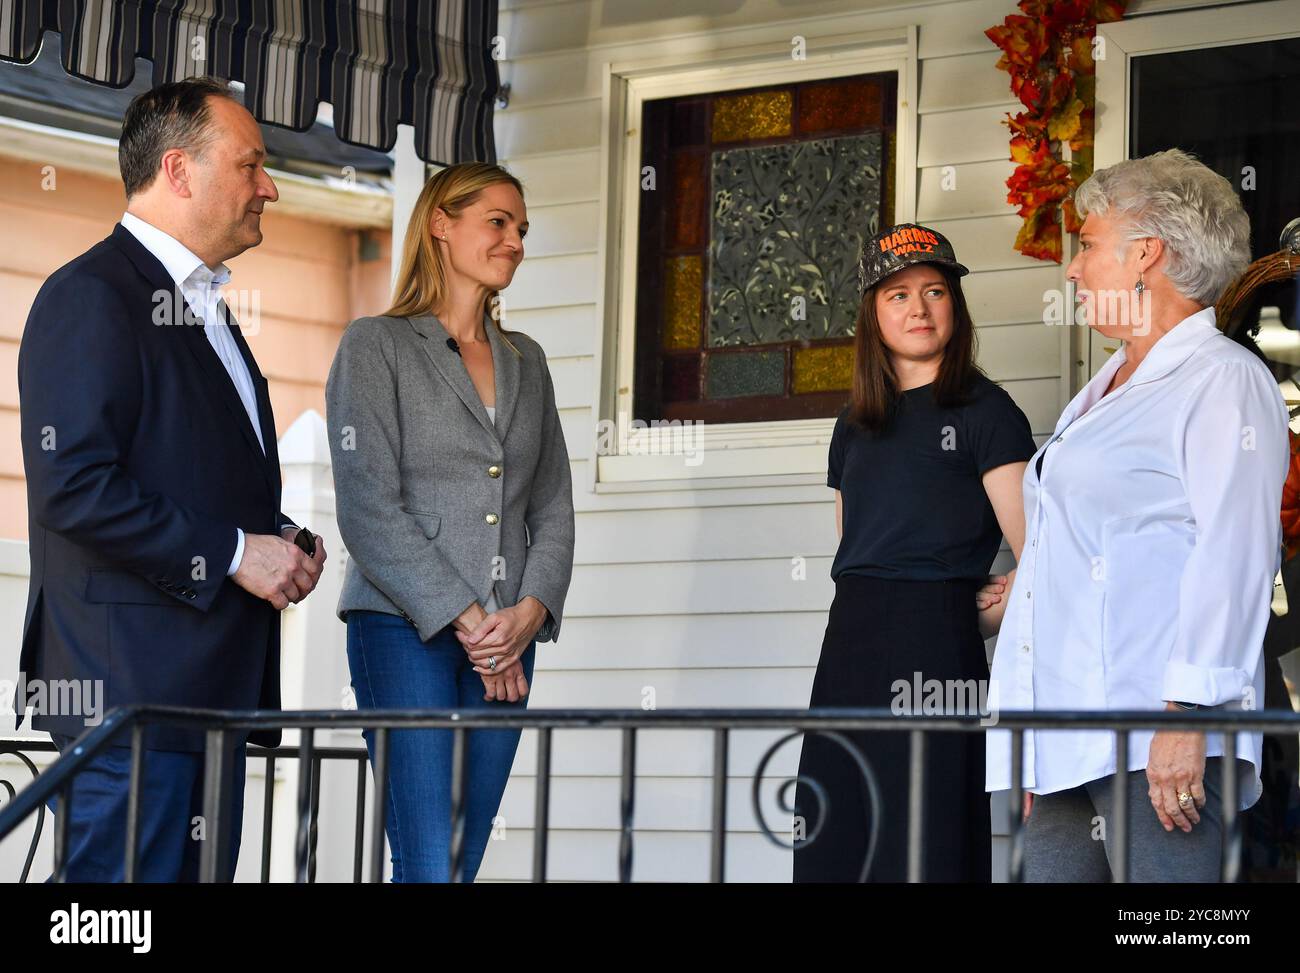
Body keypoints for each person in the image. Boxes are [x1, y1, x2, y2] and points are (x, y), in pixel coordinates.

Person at [16, 78, 325, 882]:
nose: (270, 186)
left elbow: (188, 470)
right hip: (127, 699)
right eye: (251, 164)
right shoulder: (90, 296)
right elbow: (73, 486)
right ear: (180, 171)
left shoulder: (209, 308)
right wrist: (233, 552)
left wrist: (278, 538)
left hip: (201, 697)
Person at [983, 148, 1289, 882]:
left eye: (1087, 245)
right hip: (1065, 738)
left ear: (1147, 253)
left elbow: (1236, 553)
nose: (1073, 269)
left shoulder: (1222, 378)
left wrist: (1187, 716)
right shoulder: (1108, 390)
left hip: (1158, 732)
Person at [326, 162, 575, 883]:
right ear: (442, 223)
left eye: (522, 229)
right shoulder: (376, 345)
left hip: (510, 638)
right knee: (429, 861)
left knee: (461, 861)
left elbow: (551, 504)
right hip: (404, 627)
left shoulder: (528, 360)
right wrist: (474, 624)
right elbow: (368, 507)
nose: (515, 242)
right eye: (498, 222)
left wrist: (529, 613)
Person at [792, 223, 1036, 882]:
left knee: (925, 836)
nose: (918, 308)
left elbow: (1041, 552)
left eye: (934, 290)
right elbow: (858, 550)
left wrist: (978, 610)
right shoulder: (854, 423)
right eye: (898, 294)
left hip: (936, 649)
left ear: (955, 304)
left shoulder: (988, 412)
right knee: (837, 830)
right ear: (873, 311)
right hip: (850, 644)